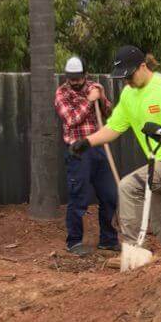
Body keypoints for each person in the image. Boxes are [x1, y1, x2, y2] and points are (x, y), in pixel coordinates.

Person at [71, 45, 161, 251]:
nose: (126, 81)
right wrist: (87, 142)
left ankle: (133, 248)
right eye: (123, 78)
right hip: (157, 162)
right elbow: (114, 127)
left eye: (129, 75)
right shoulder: (129, 94)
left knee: (128, 186)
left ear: (142, 66)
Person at [53, 56, 119, 255]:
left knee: (109, 195)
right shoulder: (61, 93)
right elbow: (71, 120)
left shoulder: (93, 87)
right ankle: (74, 242)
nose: (74, 81)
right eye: (71, 78)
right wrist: (88, 102)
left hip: (99, 147)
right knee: (78, 197)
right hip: (78, 151)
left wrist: (101, 97)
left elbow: (108, 113)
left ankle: (108, 239)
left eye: (78, 78)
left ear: (85, 75)